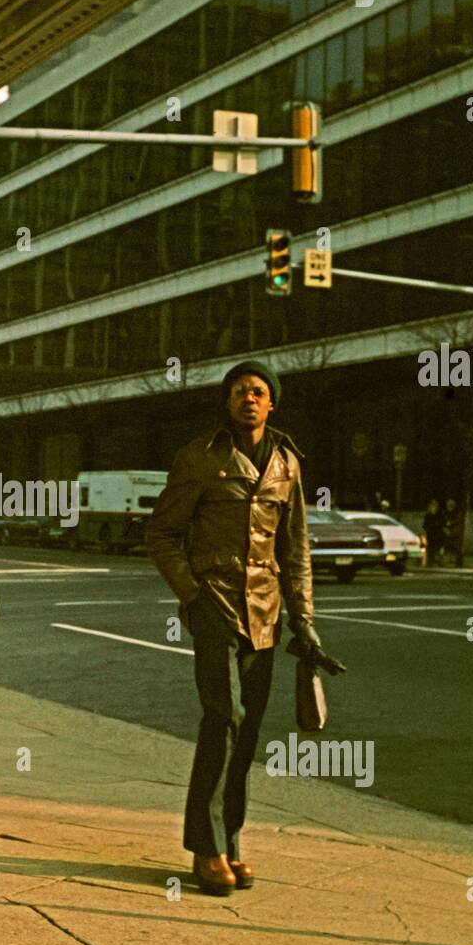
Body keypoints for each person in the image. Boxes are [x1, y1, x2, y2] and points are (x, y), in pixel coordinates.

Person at [146, 361, 345, 897]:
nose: (249, 399)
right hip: (214, 606)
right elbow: (163, 535)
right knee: (223, 717)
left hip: (266, 612)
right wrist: (192, 595)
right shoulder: (200, 456)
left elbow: (295, 546)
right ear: (227, 401)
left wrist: (304, 621)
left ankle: (231, 841)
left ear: (271, 402)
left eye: (258, 392)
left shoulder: (286, 463)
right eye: (240, 391)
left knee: (248, 728)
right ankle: (205, 848)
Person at [443, 497, 465, 568]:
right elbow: (443, 522)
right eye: (448, 505)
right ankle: (449, 561)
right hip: (448, 533)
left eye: (451, 505)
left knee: (457, 548)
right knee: (447, 547)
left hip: (456, 534)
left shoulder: (457, 513)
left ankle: (458, 563)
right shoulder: (446, 513)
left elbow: (458, 523)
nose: (449, 507)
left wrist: (450, 525)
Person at [422, 498, 443, 566]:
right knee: (430, 549)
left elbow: (441, 523)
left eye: (434, 506)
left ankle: (439, 561)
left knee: (438, 548)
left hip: (438, 535)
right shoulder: (428, 515)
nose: (432, 507)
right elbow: (424, 525)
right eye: (431, 506)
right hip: (430, 534)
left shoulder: (439, 515)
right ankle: (430, 561)